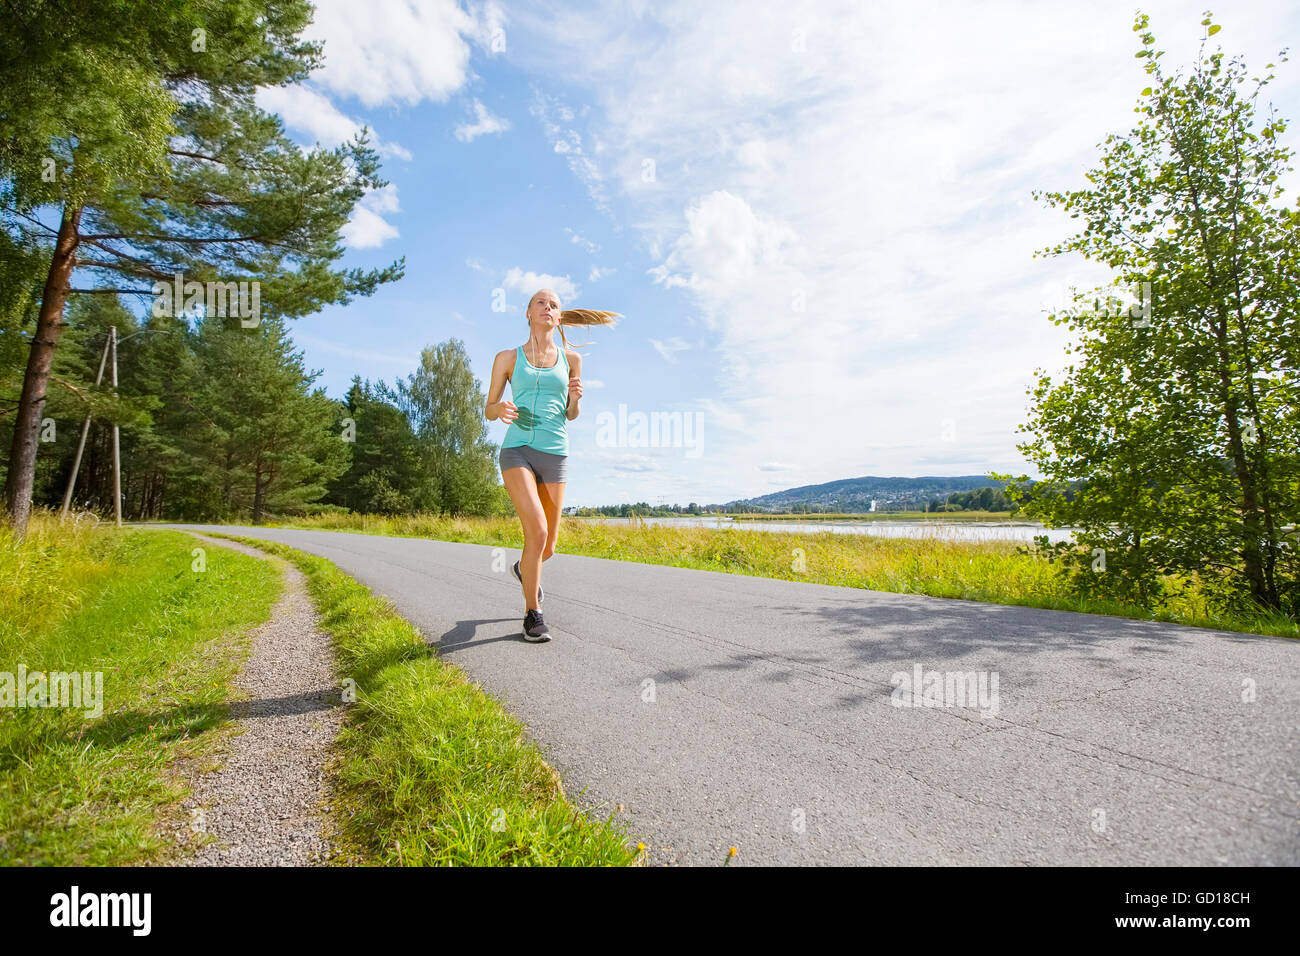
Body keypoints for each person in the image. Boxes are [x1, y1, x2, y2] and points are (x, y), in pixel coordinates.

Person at [485, 289, 619, 641]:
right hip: (517, 450)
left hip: (556, 452)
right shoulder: (506, 358)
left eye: (554, 304)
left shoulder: (571, 359)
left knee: (549, 547)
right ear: (527, 313)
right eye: (541, 302)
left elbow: (571, 415)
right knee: (538, 531)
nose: (548, 307)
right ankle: (533, 613)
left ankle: (522, 568)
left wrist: (575, 399)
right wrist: (499, 410)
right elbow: (489, 406)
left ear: (559, 317)